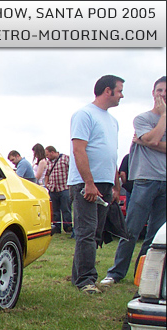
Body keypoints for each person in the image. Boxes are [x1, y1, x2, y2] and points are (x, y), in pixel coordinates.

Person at [101, 75, 167, 285]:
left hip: (165, 182)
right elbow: (153, 139)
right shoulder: (142, 119)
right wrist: (163, 118)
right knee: (131, 230)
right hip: (144, 181)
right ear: (153, 93)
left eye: (166, 91)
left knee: (155, 234)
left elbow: (151, 141)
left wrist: (146, 141)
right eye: (160, 90)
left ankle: (145, 274)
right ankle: (115, 273)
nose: (163, 95)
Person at [68, 74, 124, 294]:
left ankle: (79, 277)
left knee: (95, 233)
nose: (122, 95)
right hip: (86, 183)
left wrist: (116, 185)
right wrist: (88, 183)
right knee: (87, 232)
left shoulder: (113, 121)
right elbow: (78, 150)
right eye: (119, 91)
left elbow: (111, 154)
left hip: (105, 183)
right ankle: (86, 280)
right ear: (107, 91)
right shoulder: (84, 114)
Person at [44, 145, 72, 234]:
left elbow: (71, 170)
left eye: (47, 155)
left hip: (64, 188)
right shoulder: (48, 162)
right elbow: (47, 174)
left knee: (66, 209)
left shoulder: (66, 158)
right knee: (55, 210)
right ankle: (56, 227)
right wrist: (47, 184)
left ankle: (68, 227)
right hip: (53, 189)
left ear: (52, 152)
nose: (47, 157)